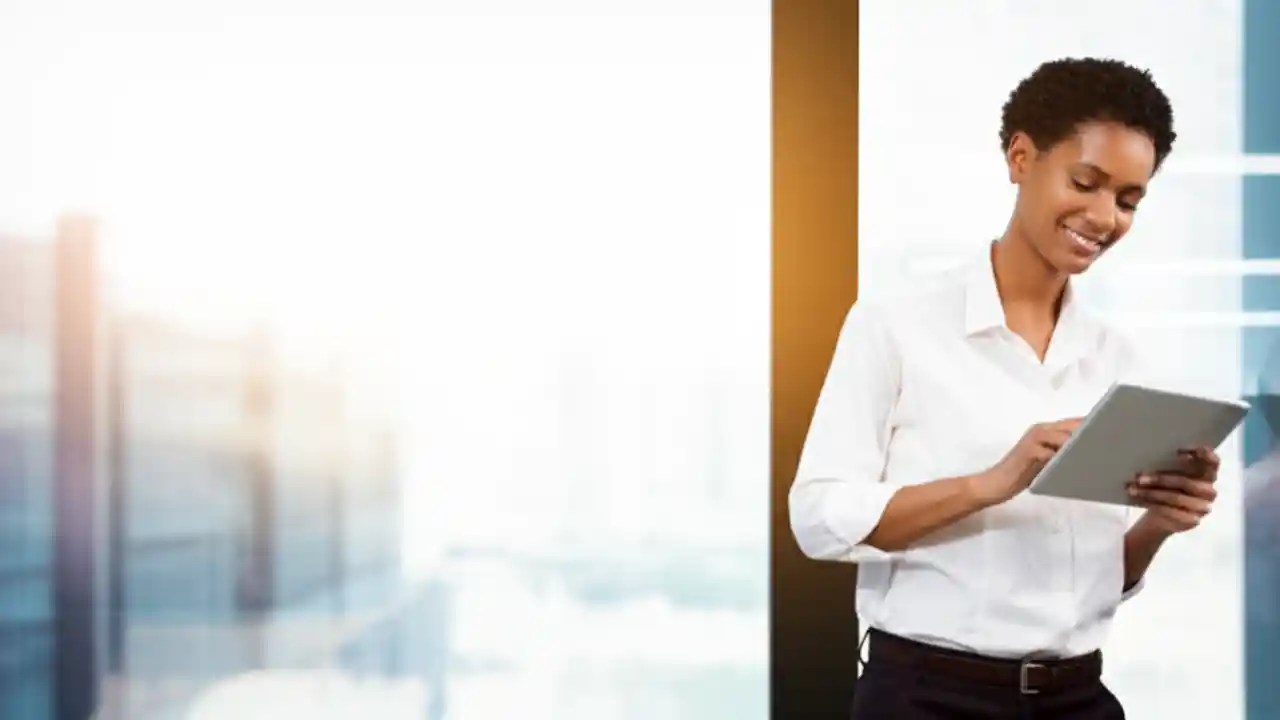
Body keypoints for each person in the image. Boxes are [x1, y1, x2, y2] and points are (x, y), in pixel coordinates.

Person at [789, 57, 1220, 719]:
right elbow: (817, 518)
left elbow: (1094, 581)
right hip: (927, 699)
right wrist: (993, 482)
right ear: (1021, 157)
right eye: (1086, 182)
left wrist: (1159, 525)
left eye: (1128, 199)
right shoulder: (897, 324)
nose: (1104, 216)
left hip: (1078, 697)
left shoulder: (1116, 356)